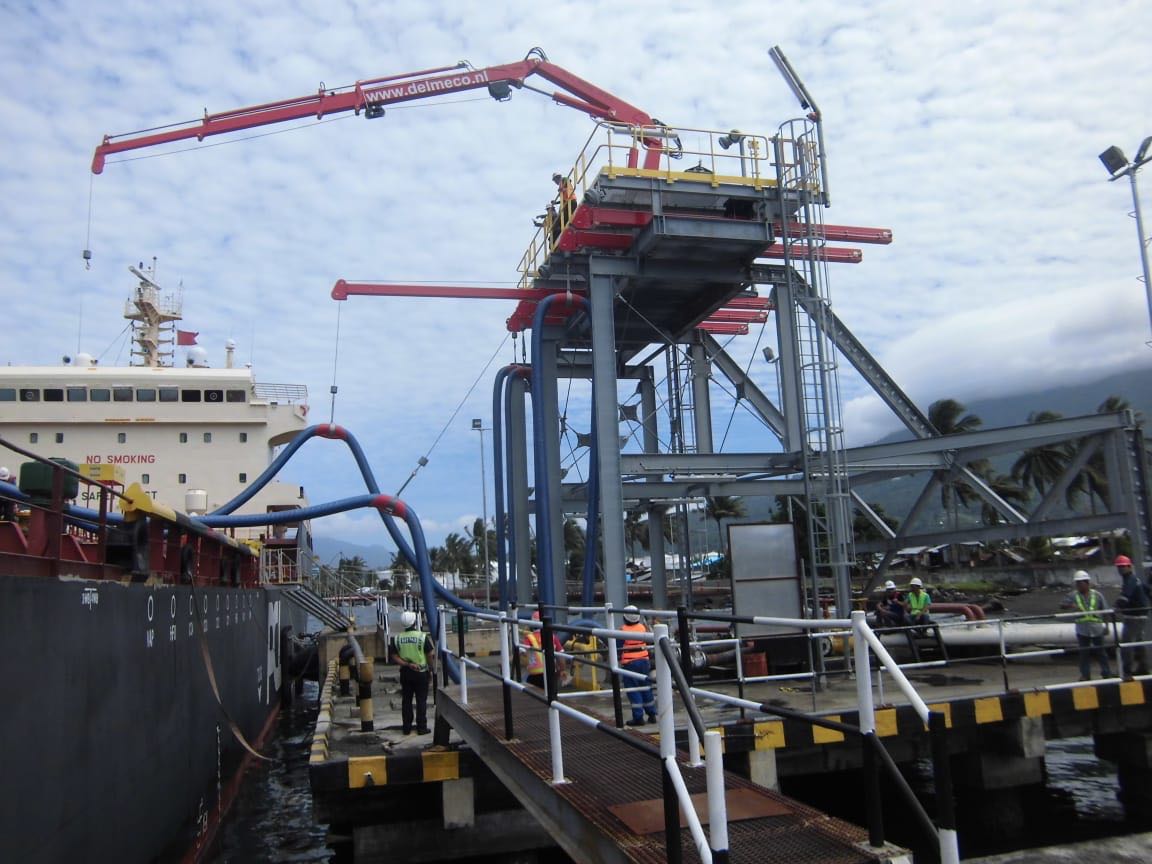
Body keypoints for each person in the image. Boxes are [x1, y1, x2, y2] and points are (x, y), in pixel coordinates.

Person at [388, 610, 435, 735]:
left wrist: (407, 664)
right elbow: (430, 654)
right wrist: (430, 669)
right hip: (421, 672)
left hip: (405, 672)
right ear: (414, 622)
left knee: (406, 700)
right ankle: (421, 728)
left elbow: (394, 656)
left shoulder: (397, 638)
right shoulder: (422, 637)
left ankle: (407, 728)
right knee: (421, 700)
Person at [1068, 571, 1112, 681]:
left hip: (1096, 628)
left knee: (1101, 652)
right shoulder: (1073, 595)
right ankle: (1085, 675)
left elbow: (1105, 611)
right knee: (1084, 654)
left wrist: (1106, 626)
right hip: (1082, 629)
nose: (1078, 586)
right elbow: (1062, 604)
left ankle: (1106, 673)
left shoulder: (1097, 595)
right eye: (1077, 583)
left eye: (1080, 583)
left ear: (1087, 583)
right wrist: (1071, 606)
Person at [618, 605, 657, 726]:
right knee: (646, 687)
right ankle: (652, 714)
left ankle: (638, 717)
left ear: (625, 618)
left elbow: (618, 647)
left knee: (633, 690)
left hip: (630, 664)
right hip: (644, 662)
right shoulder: (642, 628)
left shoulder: (622, 631)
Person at [1112, 555, 1150, 677]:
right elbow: (1147, 590)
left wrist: (1116, 607)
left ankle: (1126, 670)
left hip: (1133, 617)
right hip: (1140, 615)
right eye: (1119, 567)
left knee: (1126, 644)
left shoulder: (1130, 580)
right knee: (1138, 642)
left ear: (1129, 567)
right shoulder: (1135, 579)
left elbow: (1124, 597)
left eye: (1123, 566)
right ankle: (1143, 667)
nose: (1121, 569)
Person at [520, 611, 566, 691]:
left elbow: (522, 653)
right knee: (551, 694)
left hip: (535, 674)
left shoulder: (529, 638)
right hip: (551, 672)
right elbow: (561, 656)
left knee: (531, 692)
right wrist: (562, 670)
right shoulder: (552, 637)